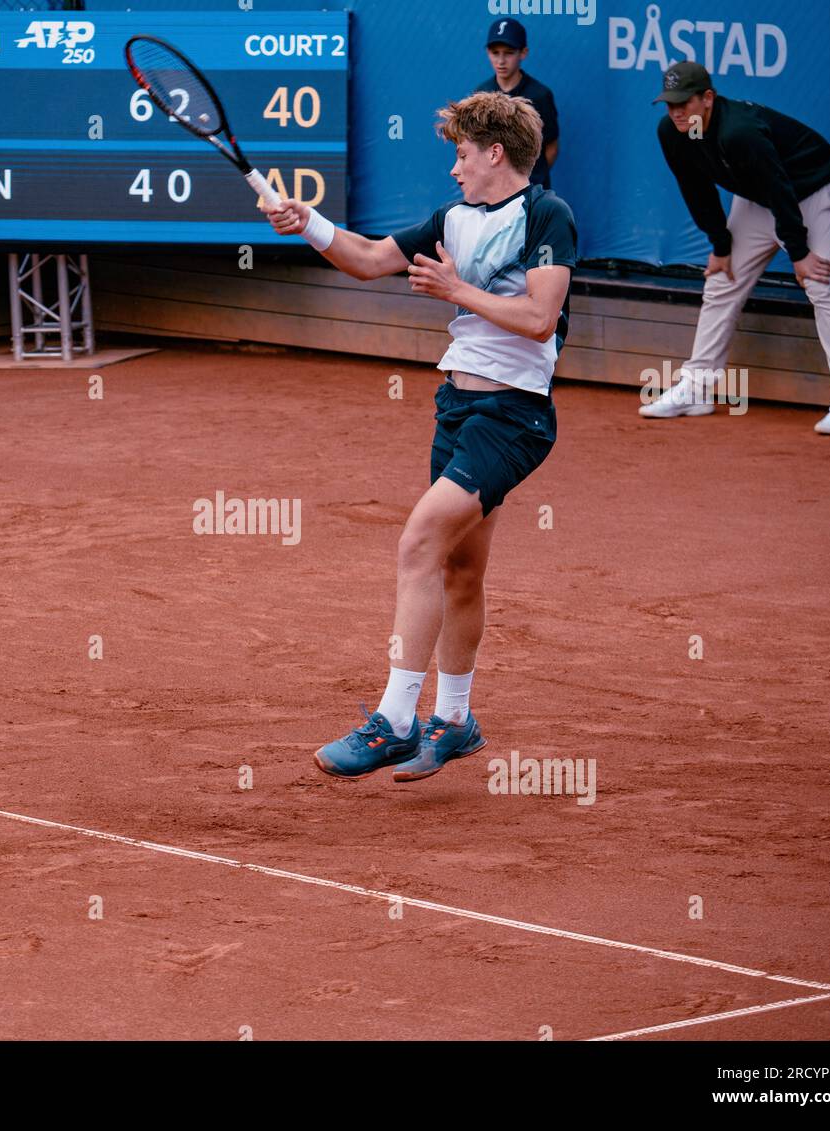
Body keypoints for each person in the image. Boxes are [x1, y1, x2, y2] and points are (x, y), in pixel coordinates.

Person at [265, 92, 576, 782]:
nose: (454, 169)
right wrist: (309, 222)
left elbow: (539, 317)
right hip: (456, 408)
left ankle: (396, 720)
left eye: (462, 155)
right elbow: (372, 259)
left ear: (495, 153)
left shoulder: (547, 214)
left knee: (418, 540)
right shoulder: (452, 219)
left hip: (514, 415)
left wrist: (456, 290)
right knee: (461, 570)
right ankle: (457, 719)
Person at [644, 61, 830, 435]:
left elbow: (780, 188)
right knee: (721, 278)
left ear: (709, 98)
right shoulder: (672, 131)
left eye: (685, 102)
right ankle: (698, 390)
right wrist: (720, 243)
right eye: (670, 103)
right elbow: (694, 187)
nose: (677, 111)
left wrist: (798, 252)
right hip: (758, 196)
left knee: (821, 285)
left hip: (811, 190)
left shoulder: (739, 132)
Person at [474, 17, 559, 190]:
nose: (501, 61)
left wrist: (530, 179)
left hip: (531, 192)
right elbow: (478, 148)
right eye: (495, 52)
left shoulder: (540, 95)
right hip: (493, 192)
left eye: (509, 52)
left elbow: (551, 146)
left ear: (523, 53)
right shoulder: (481, 95)